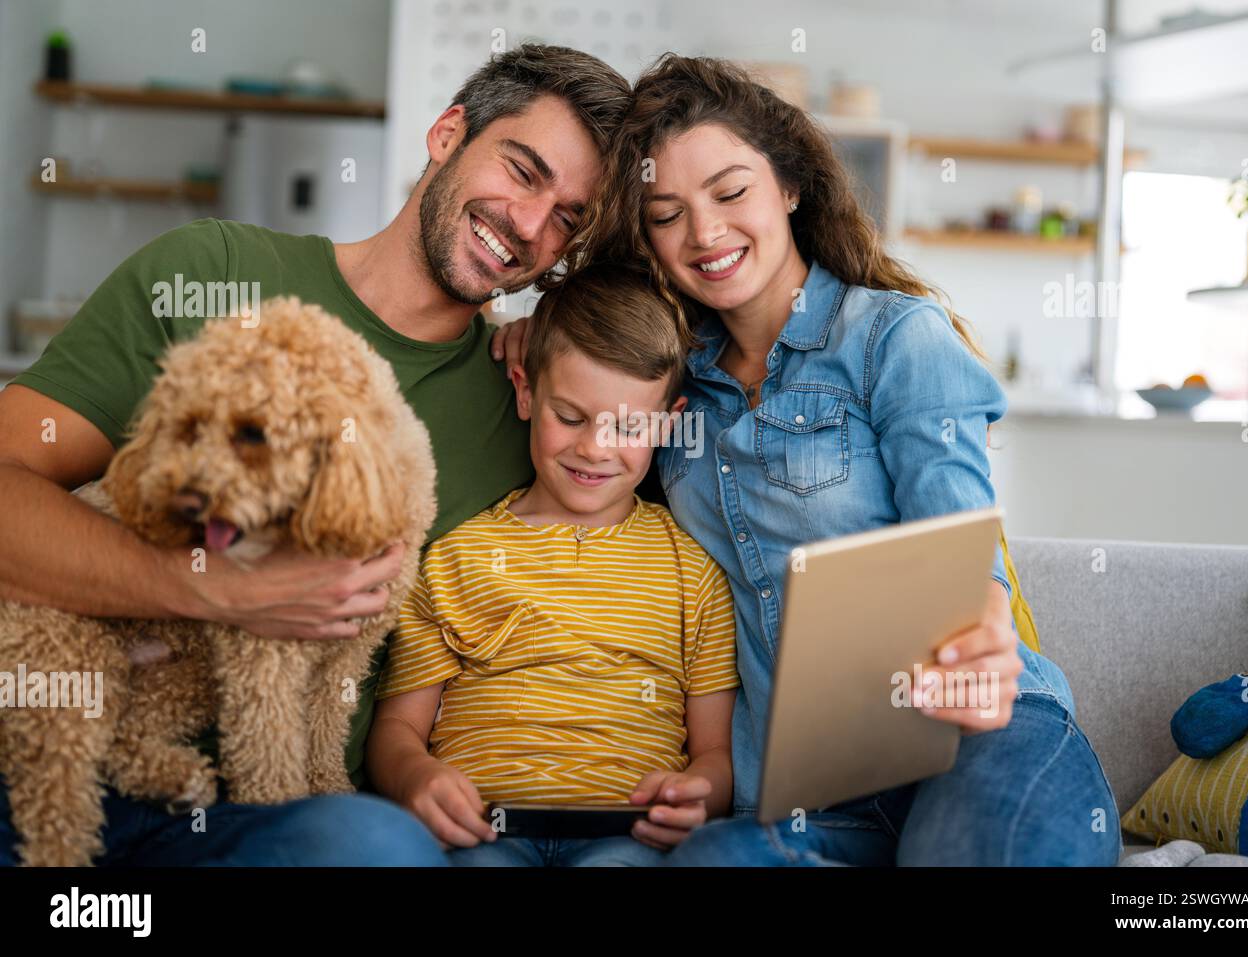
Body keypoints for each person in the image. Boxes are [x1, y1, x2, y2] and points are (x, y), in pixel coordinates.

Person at [0, 44, 631, 866]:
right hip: (53, 745)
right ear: (446, 135)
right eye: (522, 170)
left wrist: (564, 337)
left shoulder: (529, 407)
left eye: (568, 219)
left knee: (374, 847)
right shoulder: (212, 272)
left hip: (274, 820)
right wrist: (223, 590)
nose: (528, 223)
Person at [493, 53, 1122, 866]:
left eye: (730, 192)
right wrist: (531, 330)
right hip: (808, 793)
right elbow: (585, 413)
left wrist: (985, 629)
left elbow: (962, 544)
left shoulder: (892, 339)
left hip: (977, 737)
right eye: (667, 212)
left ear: (788, 187)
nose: (706, 233)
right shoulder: (671, 385)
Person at [366, 264, 739, 866]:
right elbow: (397, 732)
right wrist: (415, 778)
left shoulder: (692, 571)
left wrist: (701, 794)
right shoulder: (454, 557)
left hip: (626, 840)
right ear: (525, 391)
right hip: (486, 833)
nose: (594, 447)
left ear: (667, 423)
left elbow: (715, 754)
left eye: (628, 427)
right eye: (570, 417)